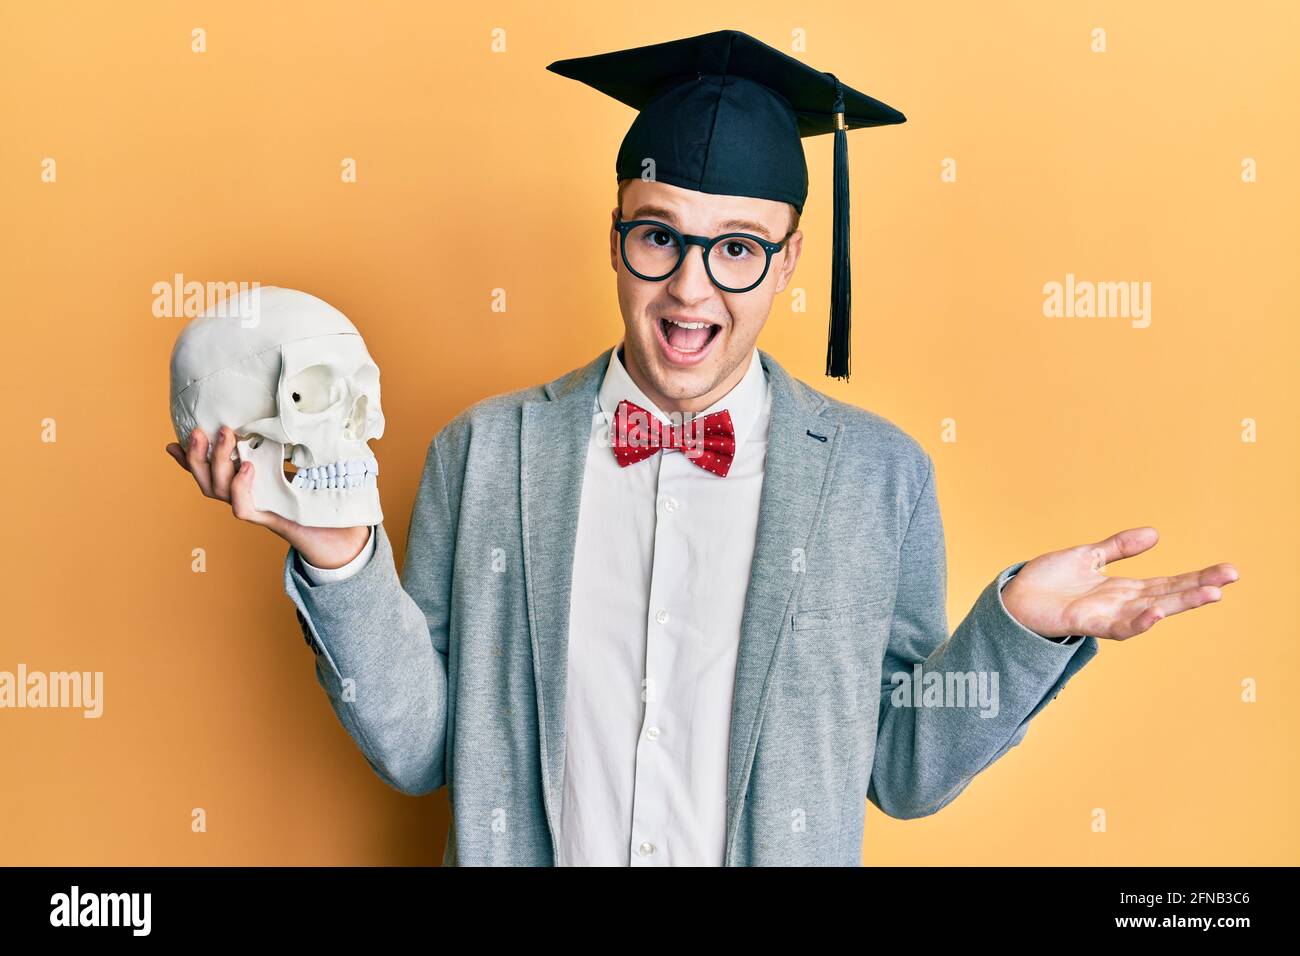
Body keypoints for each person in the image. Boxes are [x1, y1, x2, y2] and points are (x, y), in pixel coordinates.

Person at [165, 30, 1238, 866]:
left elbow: (901, 772)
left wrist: (1012, 632)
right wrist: (338, 555)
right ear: (617, 231)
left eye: (735, 249)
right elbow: (421, 752)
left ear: (788, 259)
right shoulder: (482, 453)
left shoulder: (878, 474)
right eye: (658, 235)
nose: (689, 288)